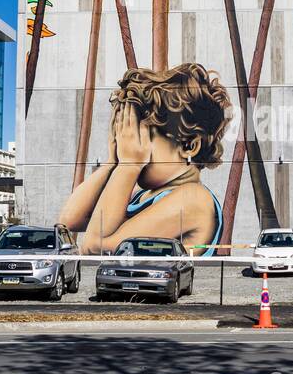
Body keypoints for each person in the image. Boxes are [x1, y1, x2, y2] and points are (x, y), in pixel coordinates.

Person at [59, 63, 231, 255]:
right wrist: (113, 163)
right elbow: (70, 220)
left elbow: (93, 247)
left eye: (138, 138)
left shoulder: (193, 199)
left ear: (189, 145)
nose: (129, 147)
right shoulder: (143, 194)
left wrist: (129, 165)